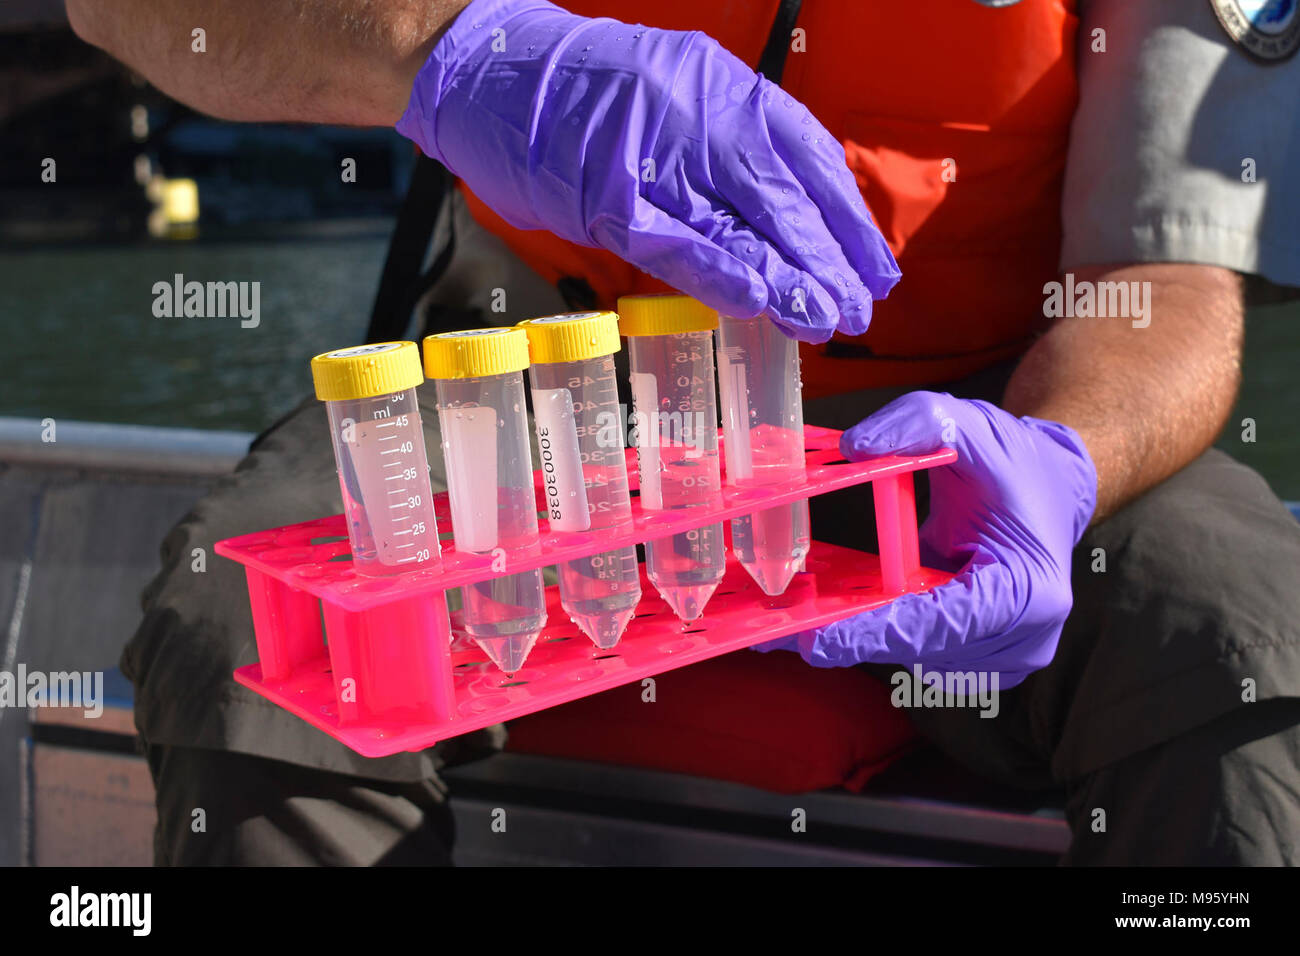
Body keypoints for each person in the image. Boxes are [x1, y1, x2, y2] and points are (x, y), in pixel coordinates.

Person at [66, 0, 1300, 865]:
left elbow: (1170, 275)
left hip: (971, 415)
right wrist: (449, 51)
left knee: (1231, 621)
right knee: (257, 629)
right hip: (542, 381)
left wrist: (1061, 455)